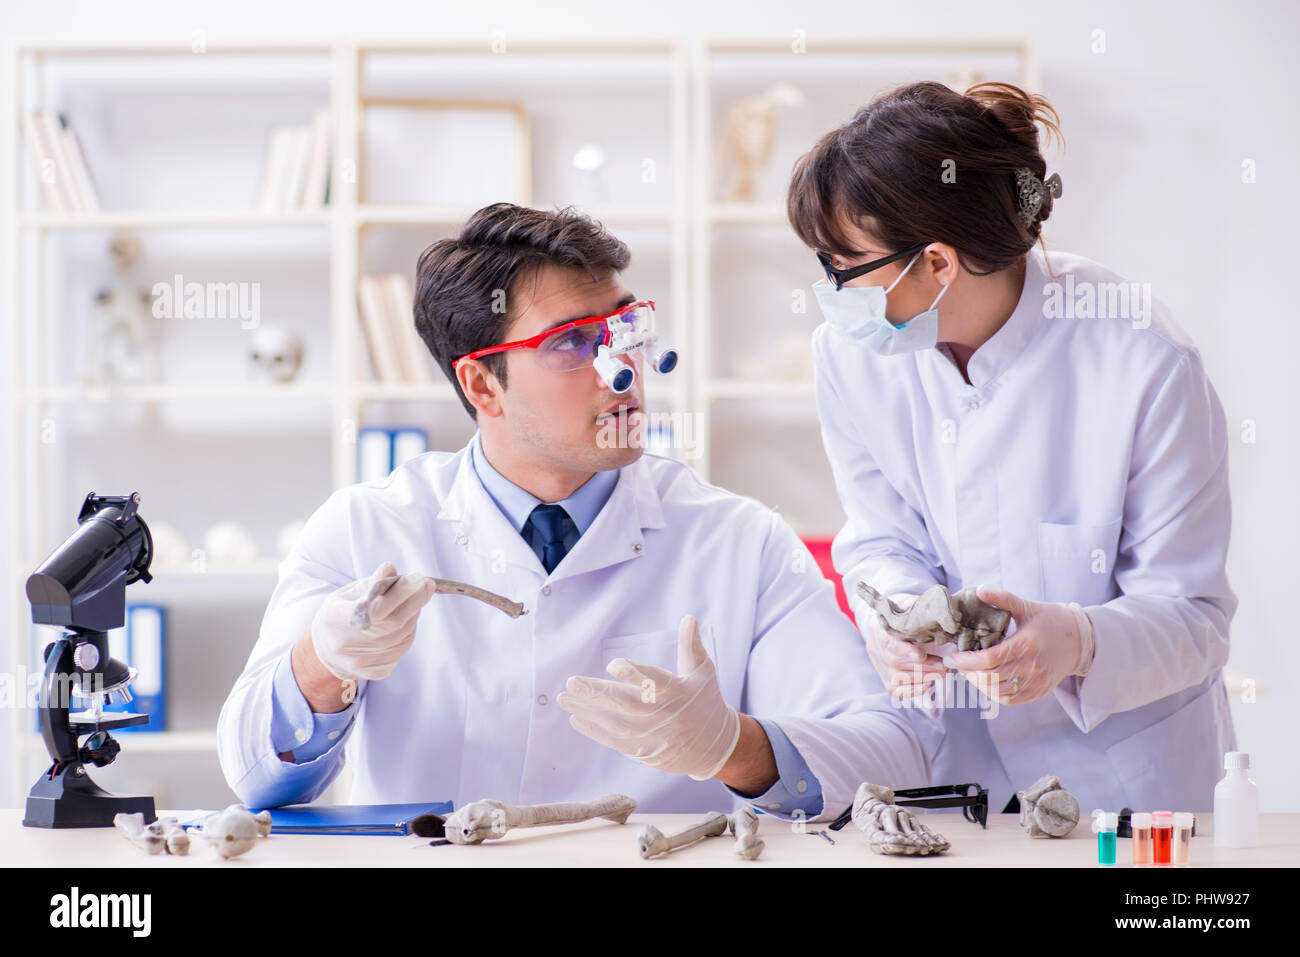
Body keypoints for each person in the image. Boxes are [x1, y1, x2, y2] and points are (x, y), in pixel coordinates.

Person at [217, 203, 930, 820]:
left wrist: (732, 746)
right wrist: (321, 663)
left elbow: (896, 756)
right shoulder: (365, 529)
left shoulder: (739, 540)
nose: (621, 367)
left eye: (625, 326)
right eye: (572, 343)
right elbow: (250, 773)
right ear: (481, 384)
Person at [788, 81, 1237, 814]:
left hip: (1130, 785)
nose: (832, 290)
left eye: (844, 266)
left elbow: (1195, 617)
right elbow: (880, 538)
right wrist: (892, 619)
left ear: (936, 263)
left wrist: (1081, 641)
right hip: (961, 779)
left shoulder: (1143, 357)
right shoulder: (848, 357)